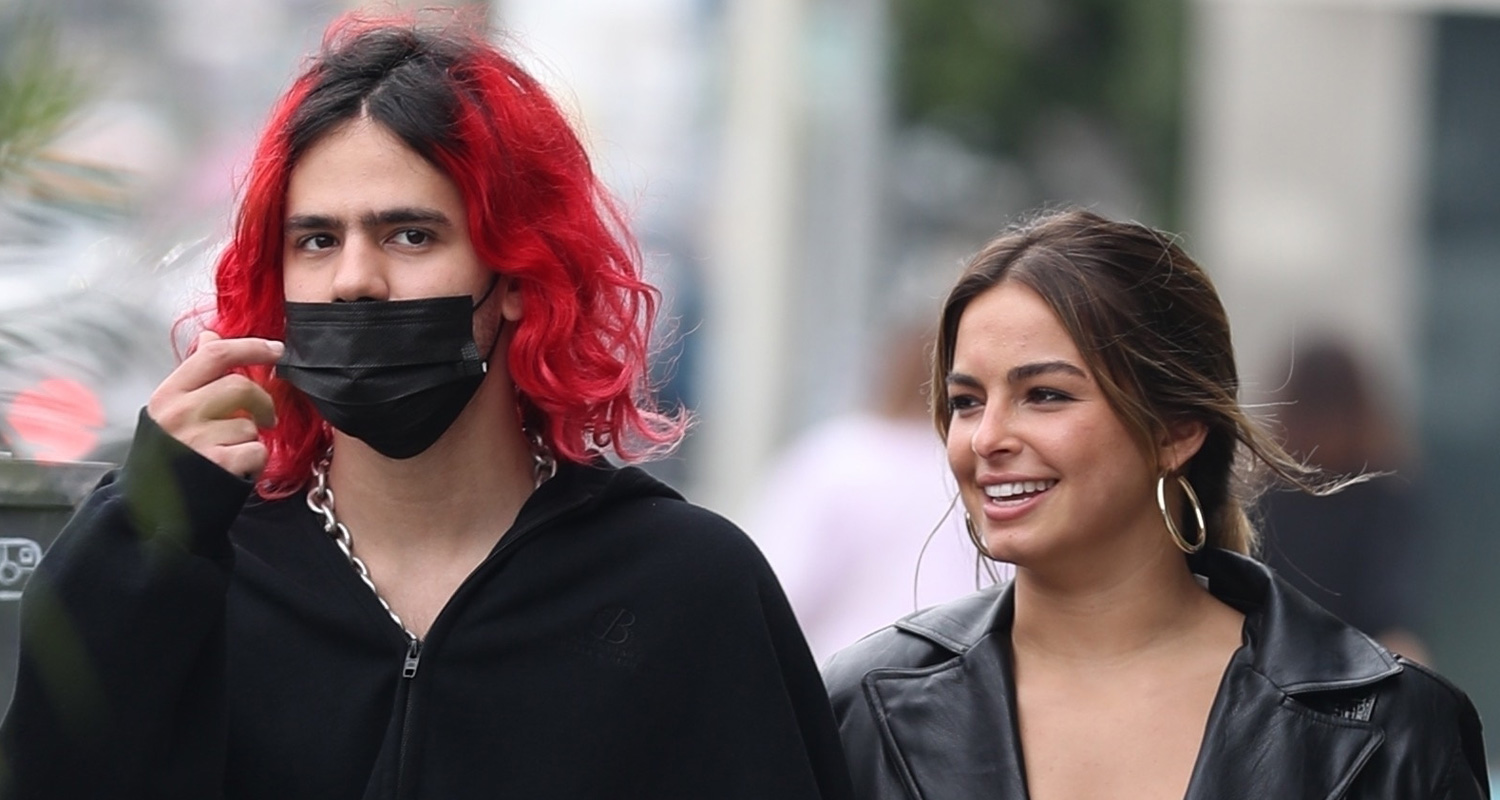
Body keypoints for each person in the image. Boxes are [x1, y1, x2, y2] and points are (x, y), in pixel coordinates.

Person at [0, 12, 853, 799]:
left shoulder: (684, 584)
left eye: (411, 235)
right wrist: (145, 535)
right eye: (317, 240)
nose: (356, 279)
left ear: (519, 277)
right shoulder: (196, 569)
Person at [823, 209, 1488, 799]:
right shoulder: (859, 705)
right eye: (967, 401)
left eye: (1045, 395)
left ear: (1174, 430)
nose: (988, 438)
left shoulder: (1391, 727)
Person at [746, 309, 1006, 664]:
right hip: (967, 677)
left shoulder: (835, 457)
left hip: (848, 681)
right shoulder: (990, 463)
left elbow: (778, 594)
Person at [1260, 338, 1432, 663]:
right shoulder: (1386, 494)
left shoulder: (1269, 496)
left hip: (1279, 660)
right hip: (1361, 662)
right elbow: (1391, 606)